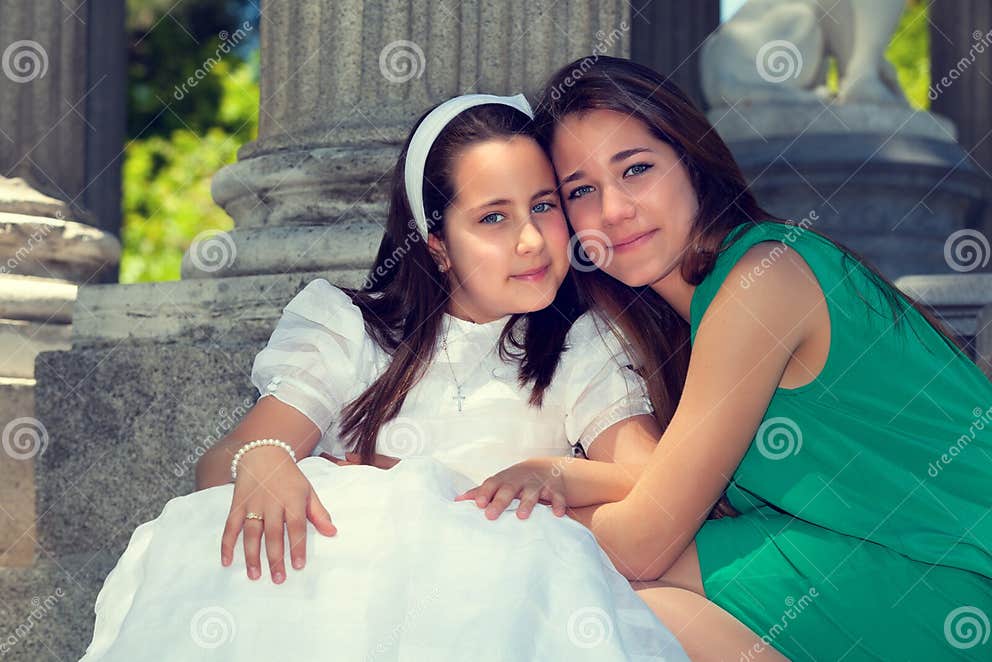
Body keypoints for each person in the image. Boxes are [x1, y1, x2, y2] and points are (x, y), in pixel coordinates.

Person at [79, 93, 690, 661]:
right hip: (336, 610)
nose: (531, 240)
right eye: (493, 219)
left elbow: (646, 476)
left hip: (488, 616)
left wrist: (549, 470)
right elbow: (222, 465)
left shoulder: (579, 345)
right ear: (438, 245)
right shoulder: (351, 330)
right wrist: (264, 458)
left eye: (543, 206)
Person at [465, 55, 992, 660]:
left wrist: (492, 522)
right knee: (630, 607)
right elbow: (662, 511)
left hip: (960, 585)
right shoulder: (679, 326)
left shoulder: (760, 280)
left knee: (623, 601)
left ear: (693, 164)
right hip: (882, 564)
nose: (613, 210)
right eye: (581, 190)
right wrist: (556, 476)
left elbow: (643, 540)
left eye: (636, 169)